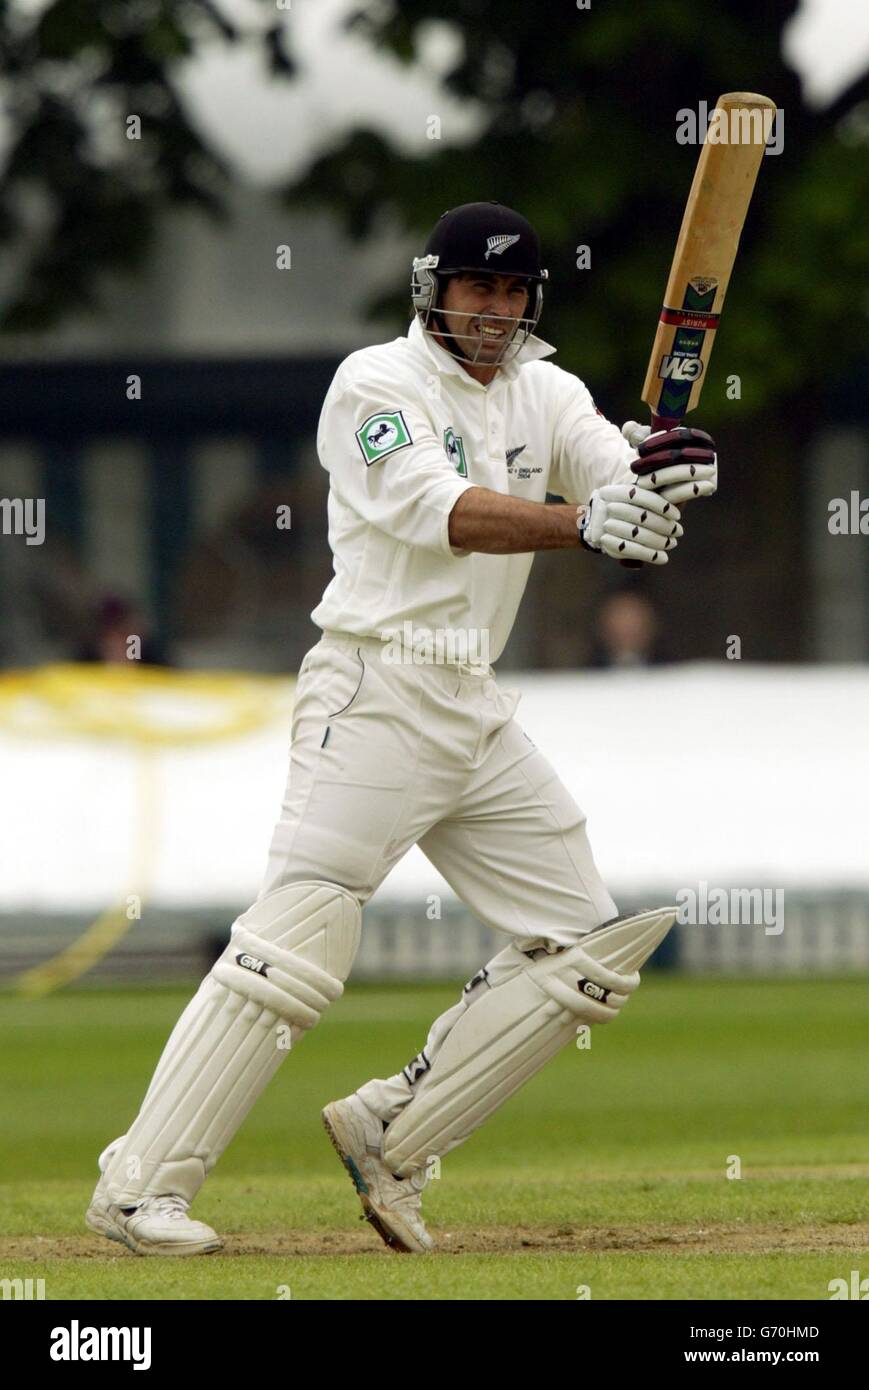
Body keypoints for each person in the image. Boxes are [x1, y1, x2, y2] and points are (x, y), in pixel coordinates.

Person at [86, 202, 718, 1256]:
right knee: (294, 952)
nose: (494, 310)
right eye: (477, 288)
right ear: (434, 290)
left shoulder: (544, 389)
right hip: (374, 690)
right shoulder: (374, 385)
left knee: (581, 952)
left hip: (472, 703)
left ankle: (392, 1129)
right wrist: (583, 524)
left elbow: (612, 477)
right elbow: (446, 509)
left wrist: (663, 474)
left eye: (513, 293)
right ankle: (137, 1184)